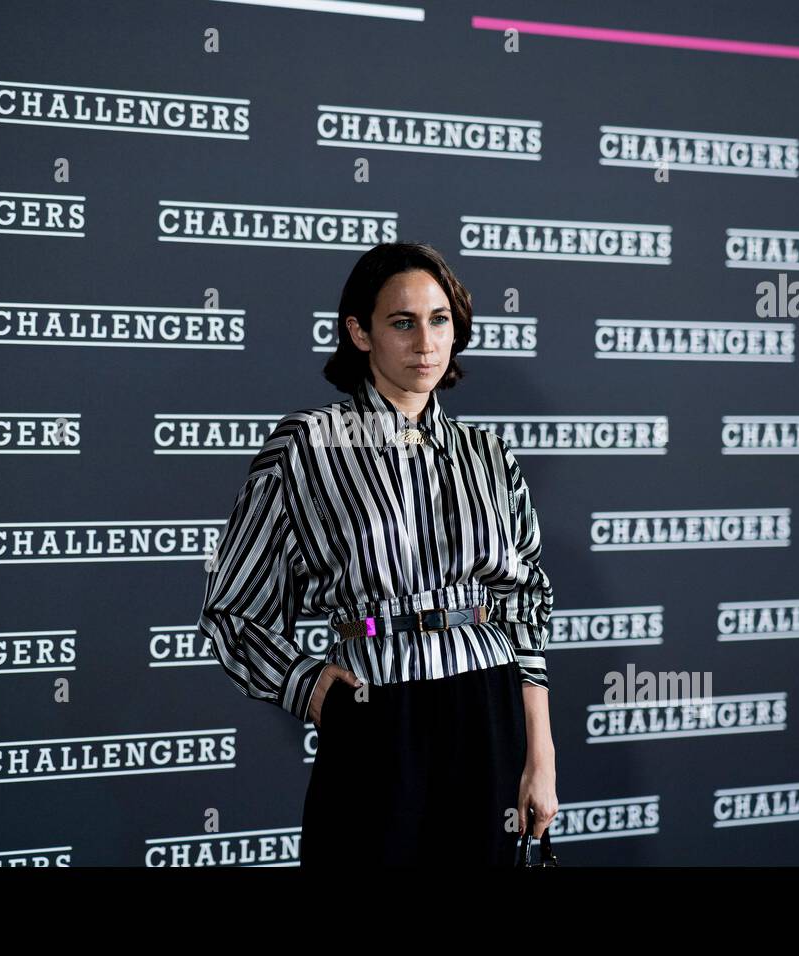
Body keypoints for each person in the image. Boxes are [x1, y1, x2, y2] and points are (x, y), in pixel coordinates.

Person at [197, 241, 557, 865]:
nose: (425, 342)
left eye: (439, 319)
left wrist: (540, 758)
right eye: (402, 322)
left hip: (487, 710)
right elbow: (233, 609)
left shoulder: (489, 454)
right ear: (359, 333)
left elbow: (521, 607)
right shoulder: (306, 446)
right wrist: (308, 687)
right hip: (375, 710)